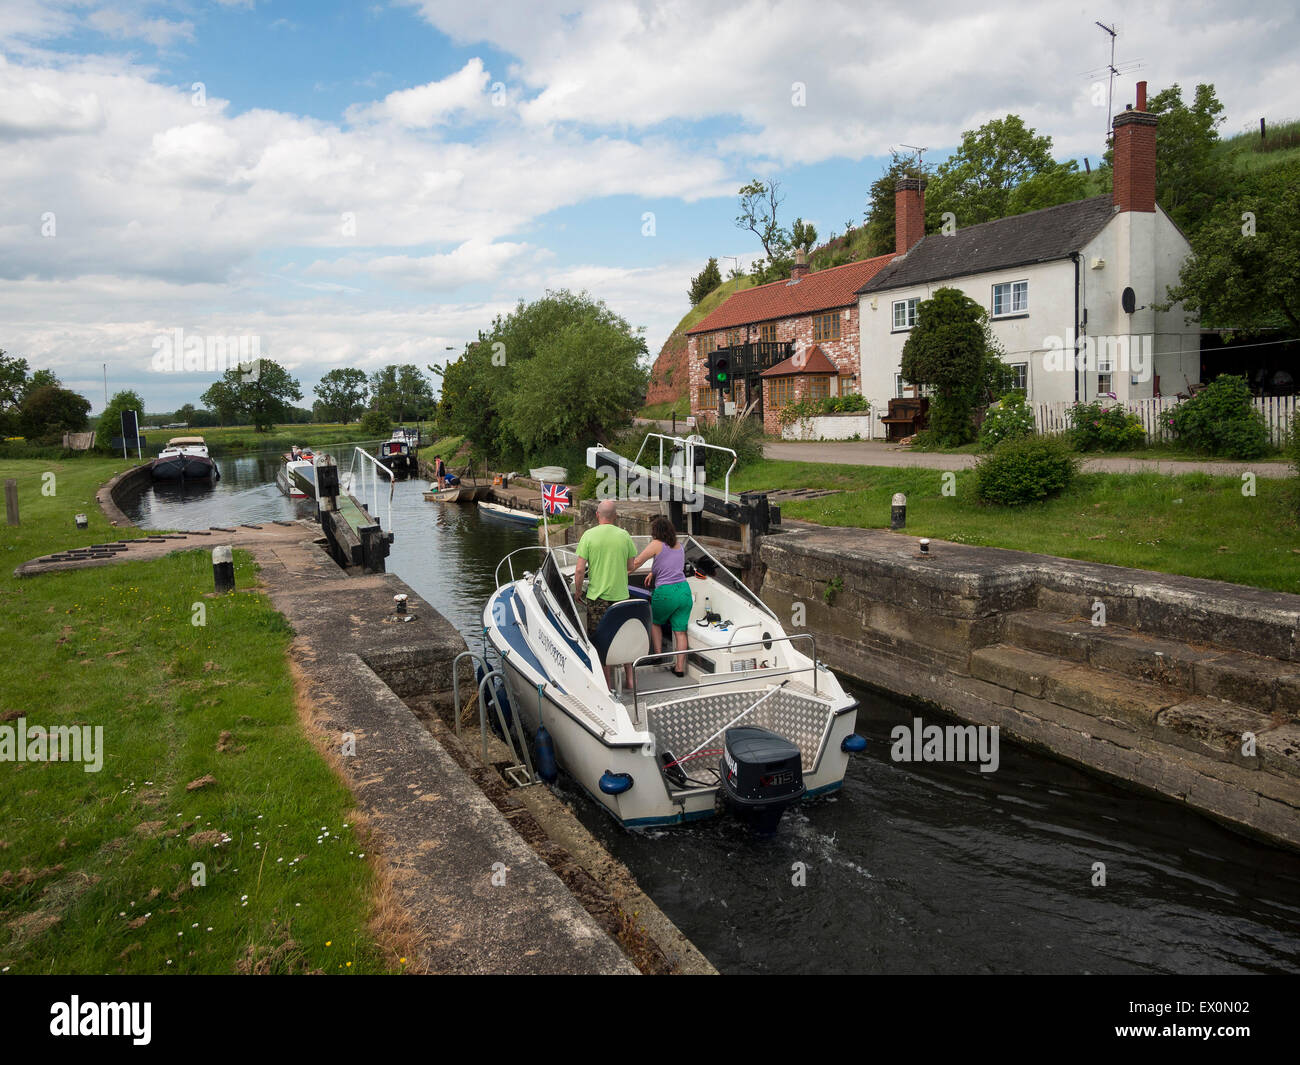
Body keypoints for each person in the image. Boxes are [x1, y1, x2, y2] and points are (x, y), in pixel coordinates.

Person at [573, 499, 638, 689]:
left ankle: (607, 684)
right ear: (615, 516)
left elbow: (579, 571)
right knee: (624, 636)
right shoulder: (624, 535)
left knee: (601, 641)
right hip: (621, 598)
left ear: (597, 515)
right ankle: (631, 681)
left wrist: (578, 592)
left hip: (597, 598)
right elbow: (631, 566)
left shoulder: (588, 535)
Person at [629, 516, 691, 677]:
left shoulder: (656, 544)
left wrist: (622, 574)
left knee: (656, 623)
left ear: (656, 532)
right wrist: (652, 572)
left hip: (666, 592)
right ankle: (679, 668)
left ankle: (657, 656)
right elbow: (670, 565)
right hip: (684, 591)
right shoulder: (679, 546)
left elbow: (637, 562)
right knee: (680, 632)